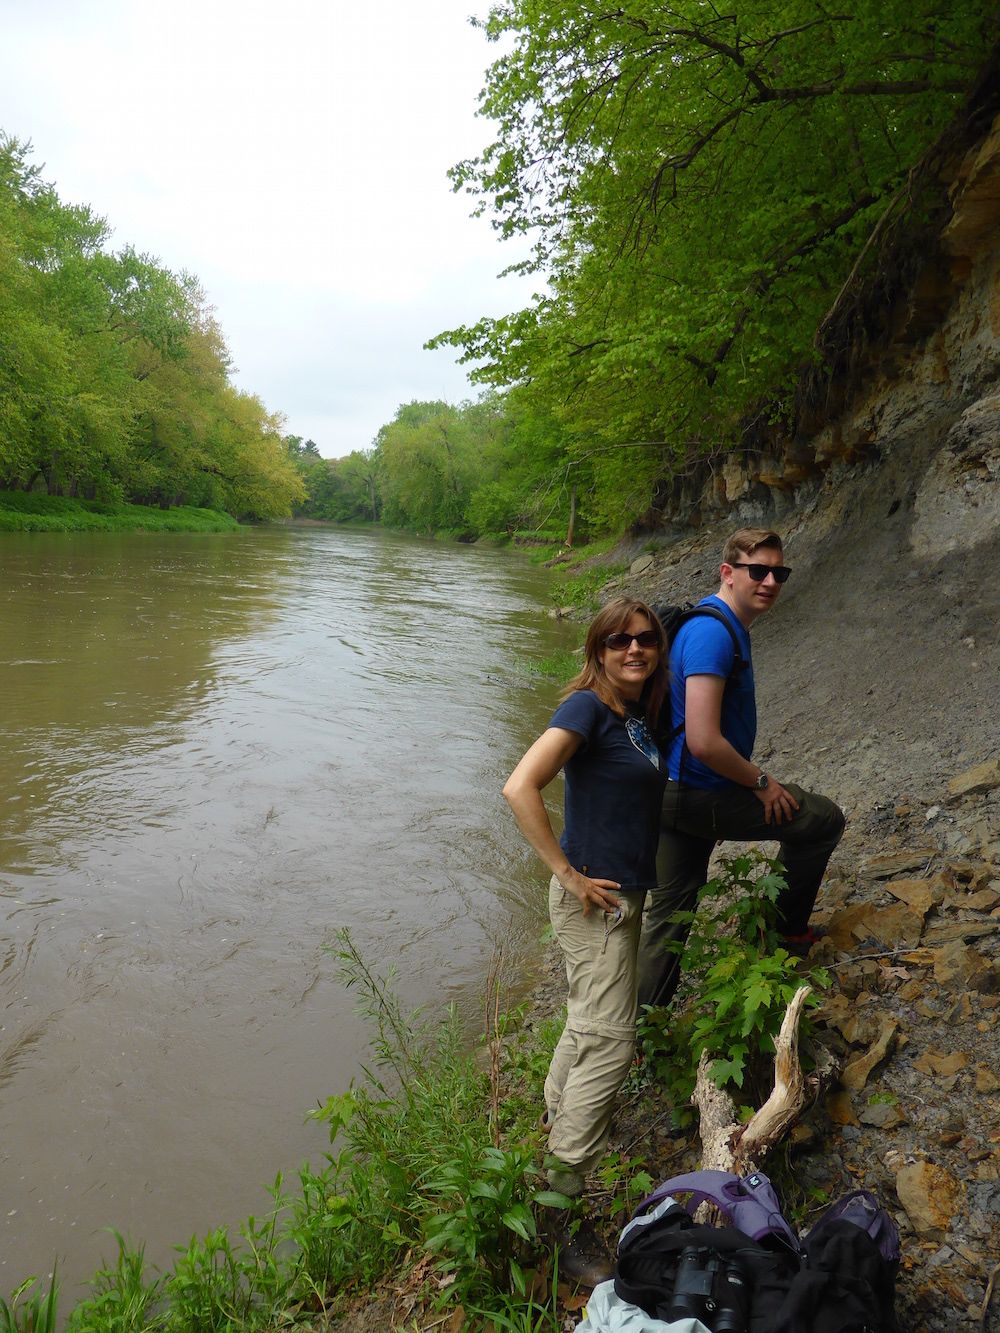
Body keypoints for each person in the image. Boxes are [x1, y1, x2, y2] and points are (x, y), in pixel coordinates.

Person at [503, 597, 668, 1286]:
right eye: (618, 640)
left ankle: (553, 1134)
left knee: (586, 1024)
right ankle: (556, 1215)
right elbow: (520, 786)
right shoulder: (586, 711)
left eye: (646, 639)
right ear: (596, 650)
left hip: (620, 896)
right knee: (611, 1040)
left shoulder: (632, 719)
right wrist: (567, 872)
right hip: (594, 901)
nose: (634, 649)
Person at [637, 528, 845, 1012]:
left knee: (670, 915)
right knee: (821, 820)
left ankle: (641, 1029)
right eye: (759, 570)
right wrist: (762, 783)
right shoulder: (713, 633)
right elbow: (704, 740)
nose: (771, 580)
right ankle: (784, 940)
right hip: (698, 792)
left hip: (668, 789)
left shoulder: (713, 624)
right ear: (728, 573)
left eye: (780, 572)